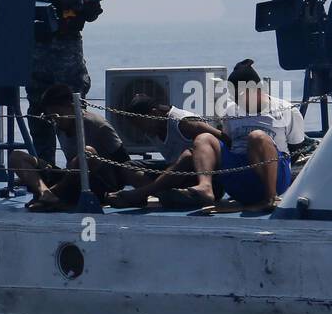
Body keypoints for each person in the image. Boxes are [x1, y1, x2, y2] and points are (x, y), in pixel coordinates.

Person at [121, 59, 302, 211]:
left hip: (271, 177)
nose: (237, 100)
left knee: (257, 137)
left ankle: (269, 199)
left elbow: (295, 149)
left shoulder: (287, 109)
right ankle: (205, 187)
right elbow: (228, 141)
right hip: (238, 180)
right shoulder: (230, 110)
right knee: (204, 138)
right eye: (234, 96)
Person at [26, 0, 103, 164]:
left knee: (74, 115)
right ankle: (45, 172)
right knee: (38, 115)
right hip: (38, 55)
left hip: (68, 51)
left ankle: (80, 171)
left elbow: (93, 10)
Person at [5, 84, 137, 210]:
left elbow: (124, 162)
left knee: (87, 153)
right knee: (16, 156)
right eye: (51, 117)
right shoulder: (59, 124)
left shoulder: (98, 125)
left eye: (57, 115)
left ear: (71, 107)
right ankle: (46, 193)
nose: (55, 120)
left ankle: (51, 195)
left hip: (97, 183)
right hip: (70, 178)